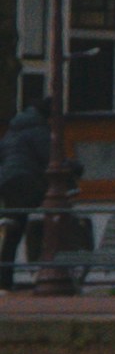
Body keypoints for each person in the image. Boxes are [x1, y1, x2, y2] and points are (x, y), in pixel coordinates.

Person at [0, 92, 52, 290]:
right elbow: (50, 158)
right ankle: (48, 268)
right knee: (48, 221)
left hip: (7, 183)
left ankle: (5, 281)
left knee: (12, 232)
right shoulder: (39, 129)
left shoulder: (13, 129)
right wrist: (73, 166)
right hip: (27, 183)